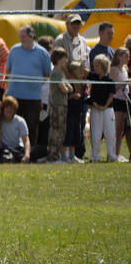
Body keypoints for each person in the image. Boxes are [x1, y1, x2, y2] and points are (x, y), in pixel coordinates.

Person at [3, 25, 51, 161]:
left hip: (33, 97)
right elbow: (8, 71)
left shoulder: (42, 53)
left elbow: (47, 74)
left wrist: (35, 85)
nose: (21, 38)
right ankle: (11, 153)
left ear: (31, 36)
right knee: (11, 124)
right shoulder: (14, 50)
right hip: (14, 96)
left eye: (23, 36)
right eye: (20, 36)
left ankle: (30, 155)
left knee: (31, 127)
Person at [55, 14, 90, 159]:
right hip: (66, 86)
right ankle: (63, 154)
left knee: (79, 121)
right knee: (67, 122)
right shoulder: (60, 40)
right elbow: (59, 63)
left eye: (78, 24)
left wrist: (83, 80)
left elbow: (85, 63)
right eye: (73, 23)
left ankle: (76, 153)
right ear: (67, 25)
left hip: (80, 86)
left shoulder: (82, 41)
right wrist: (72, 80)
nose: (76, 26)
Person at [87, 53, 115, 162]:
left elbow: (111, 95)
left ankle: (111, 156)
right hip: (95, 108)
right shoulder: (93, 77)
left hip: (108, 110)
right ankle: (94, 157)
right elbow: (83, 72)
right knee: (95, 133)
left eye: (97, 65)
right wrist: (96, 105)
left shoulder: (110, 80)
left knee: (110, 133)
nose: (94, 68)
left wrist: (105, 106)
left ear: (103, 66)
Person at [46, 49, 72, 163]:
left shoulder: (61, 72)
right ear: (58, 59)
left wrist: (68, 88)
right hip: (57, 105)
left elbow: (70, 88)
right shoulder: (56, 72)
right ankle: (53, 156)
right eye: (64, 58)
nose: (66, 61)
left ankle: (55, 156)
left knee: (61, 130)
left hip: (62, 104)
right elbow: (64, 89)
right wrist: (67, 88)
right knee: (56, 131)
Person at [0, 95, 31, 163]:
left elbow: (26, 140)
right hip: (4, 149)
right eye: (7, 107)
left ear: (15, 110)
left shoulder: (20, 121)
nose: (9, 110)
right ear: (3, 109)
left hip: (17, 149)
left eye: (11, 108)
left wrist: (27, 155)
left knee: (40, 150)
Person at [111, 46, 129, 162]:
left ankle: (117, 153)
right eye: (125, 56)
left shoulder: (125, 69)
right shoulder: (113, 69)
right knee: (116, 129)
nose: (128, 58)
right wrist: (125, 82)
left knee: (121, 129)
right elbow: (113, 87)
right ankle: (113, 154)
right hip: (116, 100)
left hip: (125, 100)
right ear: (118, 57)